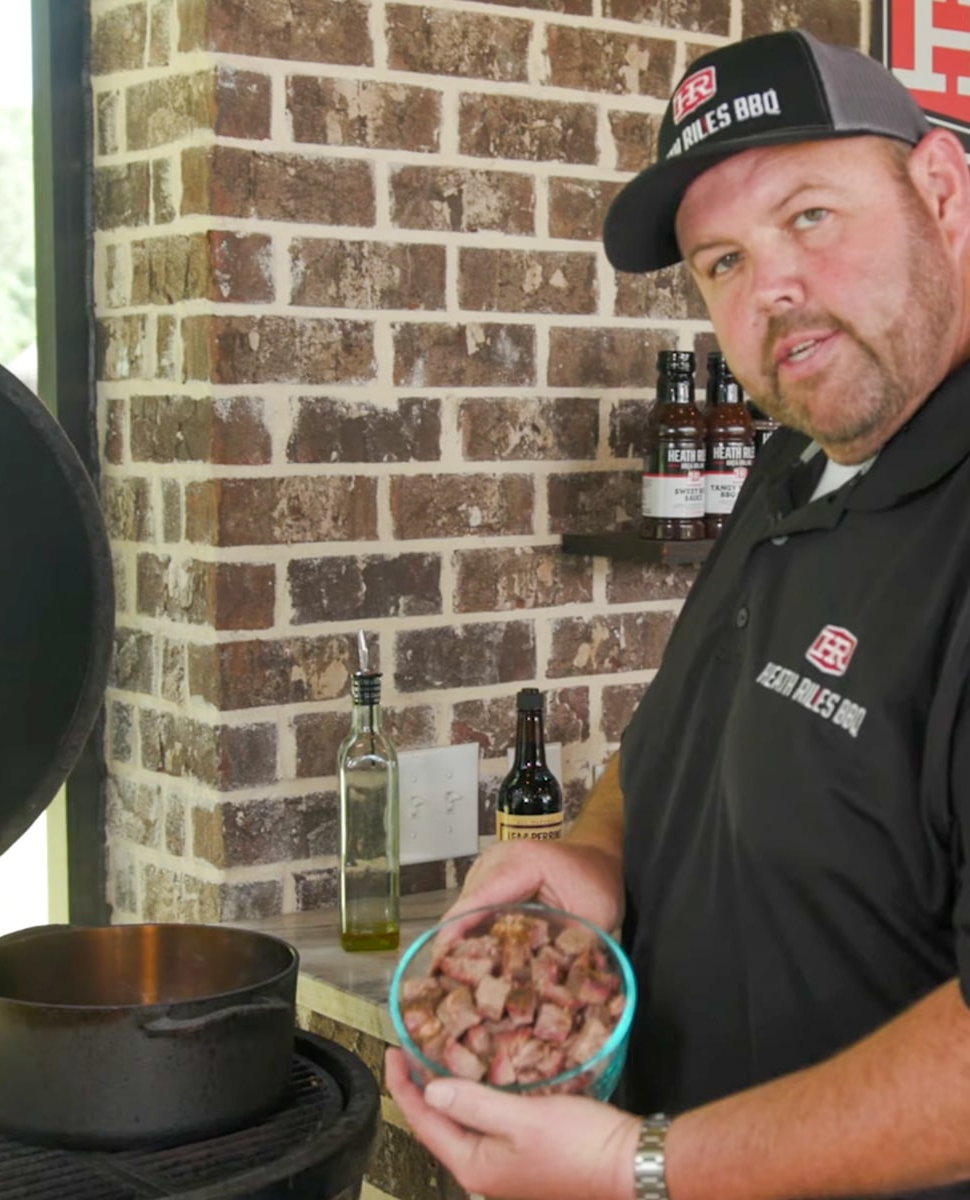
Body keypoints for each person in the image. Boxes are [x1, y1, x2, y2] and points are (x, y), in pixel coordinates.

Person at [385, 28, 970, 1200]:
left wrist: (640, 1168)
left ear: (944, 192)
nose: (774, 290)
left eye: (810, 216)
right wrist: (594, 852)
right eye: (722, 263)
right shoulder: (795, 462)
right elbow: (686, 729)